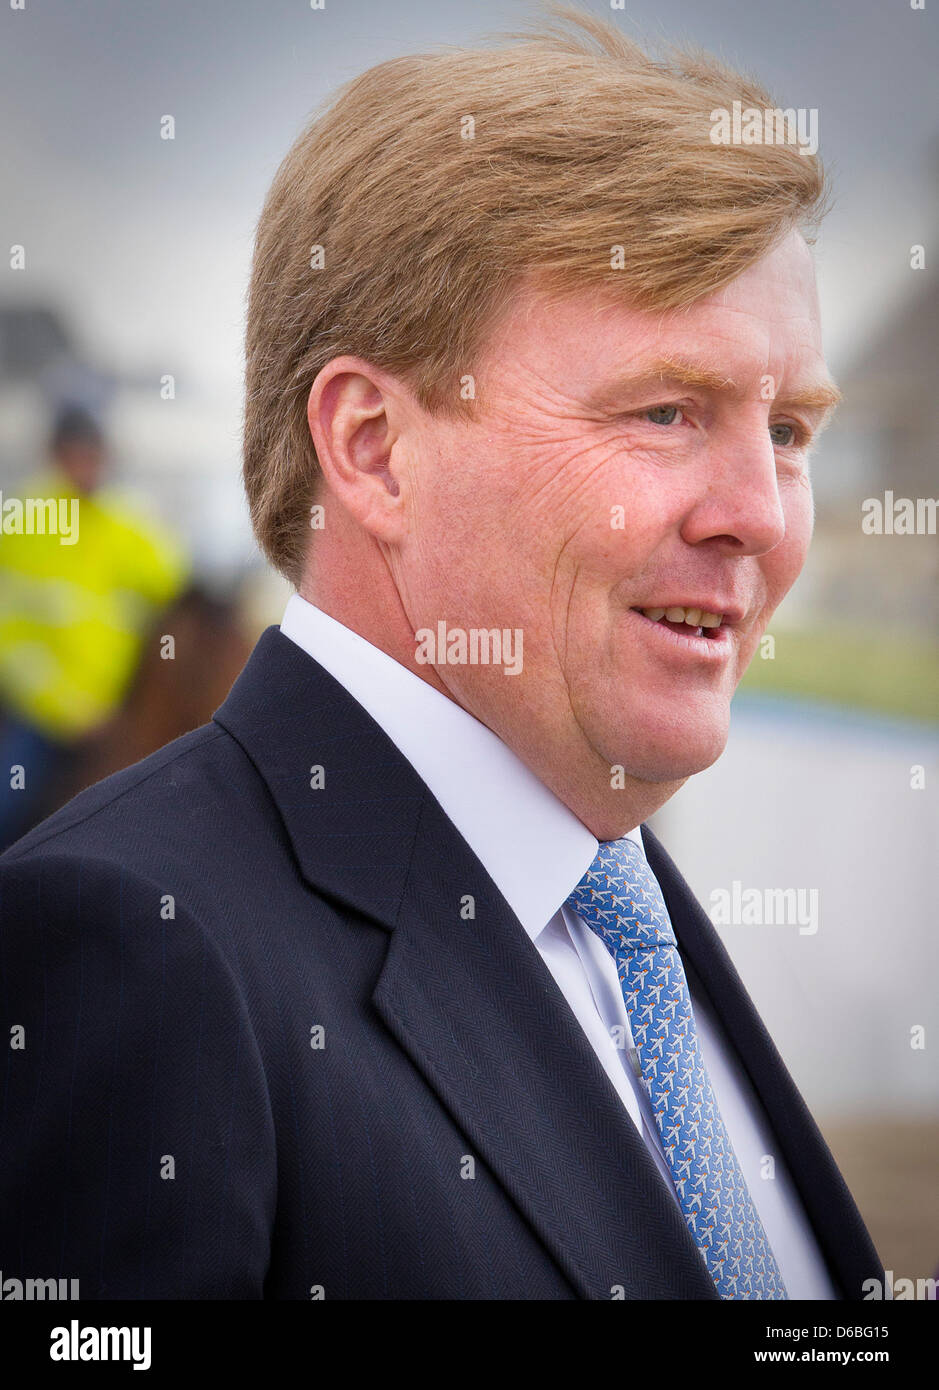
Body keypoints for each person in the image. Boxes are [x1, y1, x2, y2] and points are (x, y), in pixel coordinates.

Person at [0, 9, 883, 1299]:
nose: (758, 512)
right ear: (371, 449)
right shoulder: (134, 946)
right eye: (664, 411)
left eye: (792, 430)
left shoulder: (629, 918)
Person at [0, 404, 188, 849]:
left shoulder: (124, 524)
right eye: (77, 455)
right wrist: (72, 710)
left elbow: (176, 583)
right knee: (10, 802)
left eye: (94, 455)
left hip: (116, 713)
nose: (88, 466)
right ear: (55, 457)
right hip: (44, 718)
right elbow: (11, 641)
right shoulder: (21, 524)